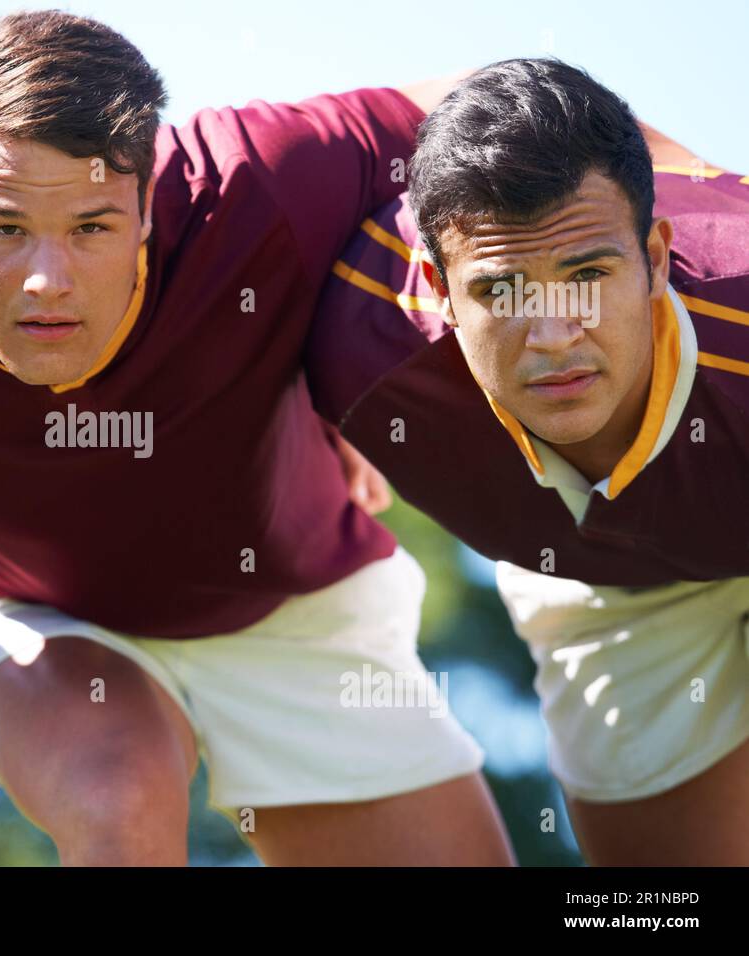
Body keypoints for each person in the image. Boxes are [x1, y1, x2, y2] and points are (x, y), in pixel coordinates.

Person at [0, 9, 512, 865]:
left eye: (92, 227)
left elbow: (521, 111)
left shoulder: (263, 178)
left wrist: (349, 362)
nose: (45, 281)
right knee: (115, 792)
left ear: (149, 202)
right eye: (4, 228)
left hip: (293, 607)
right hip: (34, 609)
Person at [310, 57, 749, 864]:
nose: (553, 337)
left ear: (656, 256)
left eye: (588, 274)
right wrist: (292, 421)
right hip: (609, 574)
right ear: (440, 291)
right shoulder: (354, 340)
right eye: (504, 290)